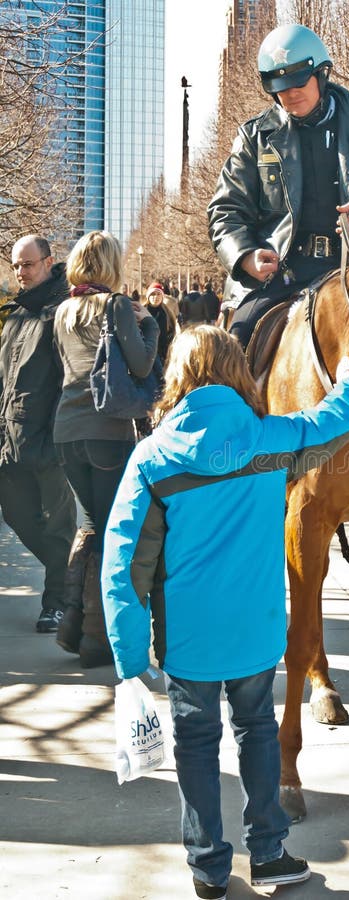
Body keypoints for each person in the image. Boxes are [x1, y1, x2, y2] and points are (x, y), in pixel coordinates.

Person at [101, 325, 349, 899]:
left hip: (189, 640)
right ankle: (268, 854)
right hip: (257, 631)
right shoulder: (271, 439)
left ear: (178, 375)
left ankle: (208, 867)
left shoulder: (152, 459)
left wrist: (128, 657)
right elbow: (331, 424)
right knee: (257, 731)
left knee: (195, 744)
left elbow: (124, 566)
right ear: (237, 370)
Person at [207, 23, 349, 350]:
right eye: (280, 86)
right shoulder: (253, 138)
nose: (289, 93)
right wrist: (246, 257)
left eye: (298, 82)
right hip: (277, 278)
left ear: (322, 73)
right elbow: (225, 212)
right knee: (234, 347)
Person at [52, 231, 159, 667]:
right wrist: (148, 322)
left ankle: (71, 623)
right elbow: (142, 364)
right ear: (110, 265)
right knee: (111, 530)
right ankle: (95, 637)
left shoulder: (63, 310)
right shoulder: (114, 306)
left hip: (67, 431)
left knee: (89, 525)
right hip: (107, 432)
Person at [0, 235, 77, 633]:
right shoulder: (15, 316)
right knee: (14, 512)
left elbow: (71, 379)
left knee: (59, 524)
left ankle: (58, 604)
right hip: (11, 439)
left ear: (48, 262)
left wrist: (57, 436)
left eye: (27, 264)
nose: (20, 272)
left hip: (51, 441)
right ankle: (70, 579)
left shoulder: (62, 312)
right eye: (15, 265)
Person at [144, 282, 178, 364]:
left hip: (162, 355)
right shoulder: (142, 311)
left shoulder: (167, 313)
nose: (155, 297)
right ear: (148, 296)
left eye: (158, 294)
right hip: (145, 353)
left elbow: (172, 332)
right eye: (153, 294)